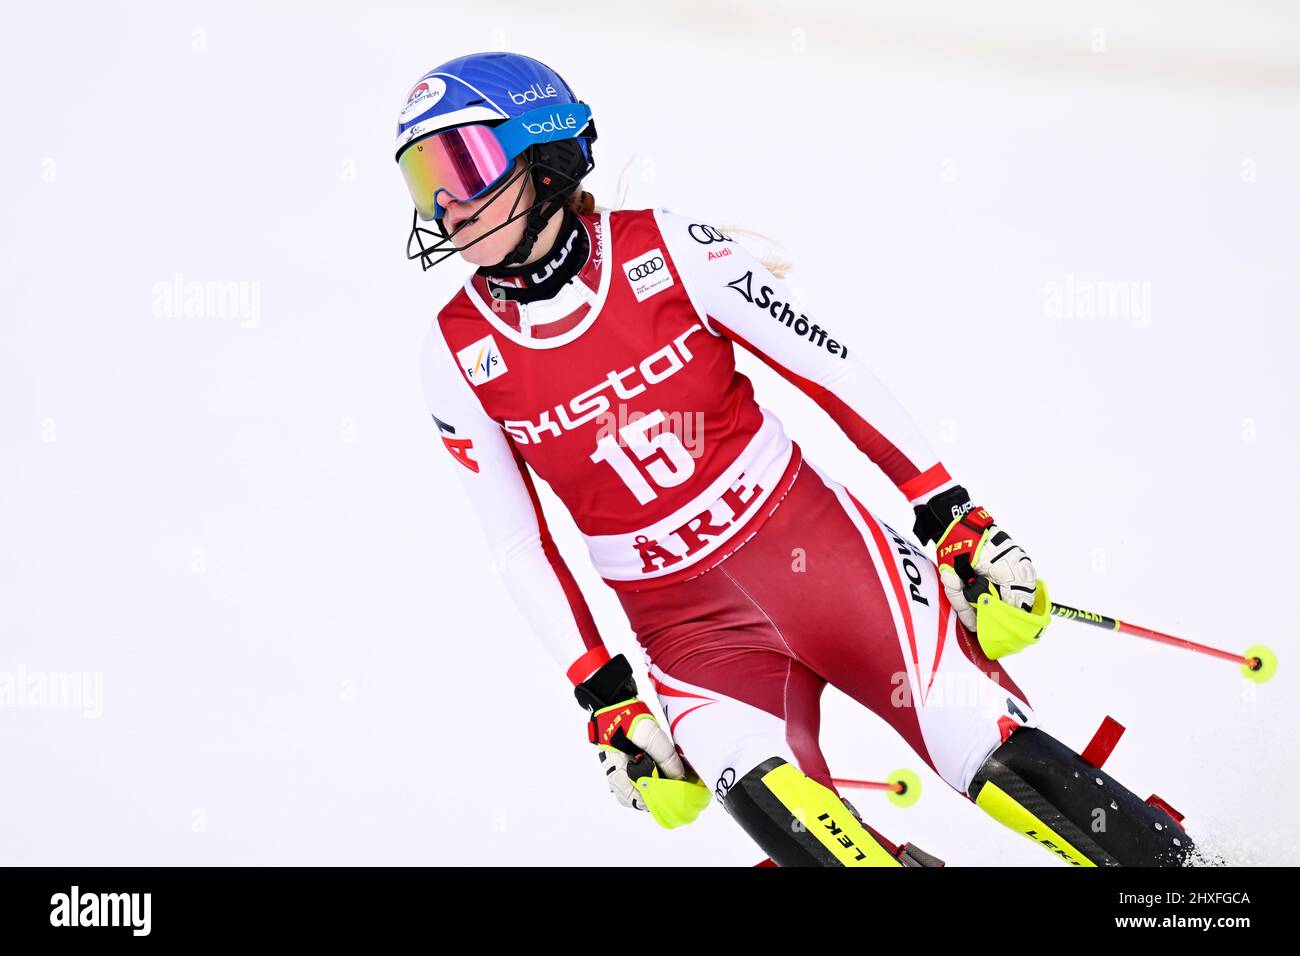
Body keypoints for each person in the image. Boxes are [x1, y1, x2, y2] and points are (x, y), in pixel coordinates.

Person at [395, 51, 1197, 866]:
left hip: (827, 561)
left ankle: (1196, 888)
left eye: (466, 163)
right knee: (811, 842)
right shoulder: (455, 355)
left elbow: (832, 371)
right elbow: (519, 544)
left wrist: (954, 515)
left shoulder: (667, 248)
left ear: (544, 153)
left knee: (990, 759)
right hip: (689, 637)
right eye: (424, 180)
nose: (447, 206)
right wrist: (604, 696)